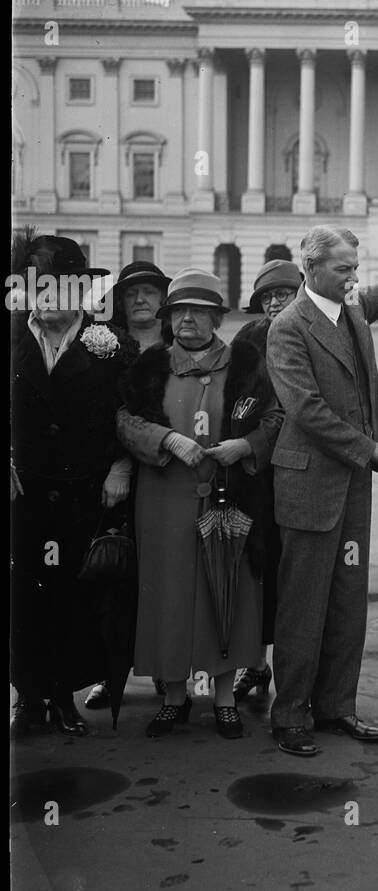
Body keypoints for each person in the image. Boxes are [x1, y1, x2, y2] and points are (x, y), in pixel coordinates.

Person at [117, 270, 282, 740]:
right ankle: (174, 695)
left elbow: (274, 419)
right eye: (179, 312)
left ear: (215, 317)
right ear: (169, 319)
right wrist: (166, 438)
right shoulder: (151, 364)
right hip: (165, 499)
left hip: (231, 498)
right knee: (168, 592)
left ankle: (225, 697)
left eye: (199, 311)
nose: (187, 320)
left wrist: (245, 446)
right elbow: (125, 419)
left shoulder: (246, 363)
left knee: (226, 593)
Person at [266, 226, 378, 757]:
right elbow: (306, 410)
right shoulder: (288, 326)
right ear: (311, 269)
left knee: (347, 601)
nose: (353, 277)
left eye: (354, 267)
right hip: (309, 485)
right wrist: (372, 450)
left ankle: (336, 706)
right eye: (343, 268)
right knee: (303, 605)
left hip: (349, 487)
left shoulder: (353, 310)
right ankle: (290, 714)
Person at [10, 235, 138, 737]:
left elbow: (133, 412)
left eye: (60, 287)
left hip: (86, 491)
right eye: (37, 286)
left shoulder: (111, 346)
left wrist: (121, 467)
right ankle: (26, 696)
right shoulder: (13, 337)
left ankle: (63, 695)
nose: (48, 298)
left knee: (71, 595)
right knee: (24, 595)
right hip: (25, 494)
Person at [85, 259, 174, 715]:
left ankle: (163, 669)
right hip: (116, 478)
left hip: (168, 473)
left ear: (164, 299)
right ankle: (108, 675)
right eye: (131, 292)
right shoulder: (106, 347)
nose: (141, 299)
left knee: (162, 574)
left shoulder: (180, 344)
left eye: (150, 291)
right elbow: (102, 413)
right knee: (115, 576)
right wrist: (119, 465)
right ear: (119, 302)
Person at [229, 258, 302, 702]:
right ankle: (254, 664)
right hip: (257, 470)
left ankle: (292, 673)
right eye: (268, 297)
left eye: (283, 293)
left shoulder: (314, 331)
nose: (275, 302)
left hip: (302, 469)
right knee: (253, 568)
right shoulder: (249, 337)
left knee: (291, 576)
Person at [111, 260, 172, 350]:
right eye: (131, 294)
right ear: (121, 303)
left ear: (164, 299)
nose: (139, 300)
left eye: (148, 292)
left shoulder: (182, 349)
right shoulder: (108, 354)